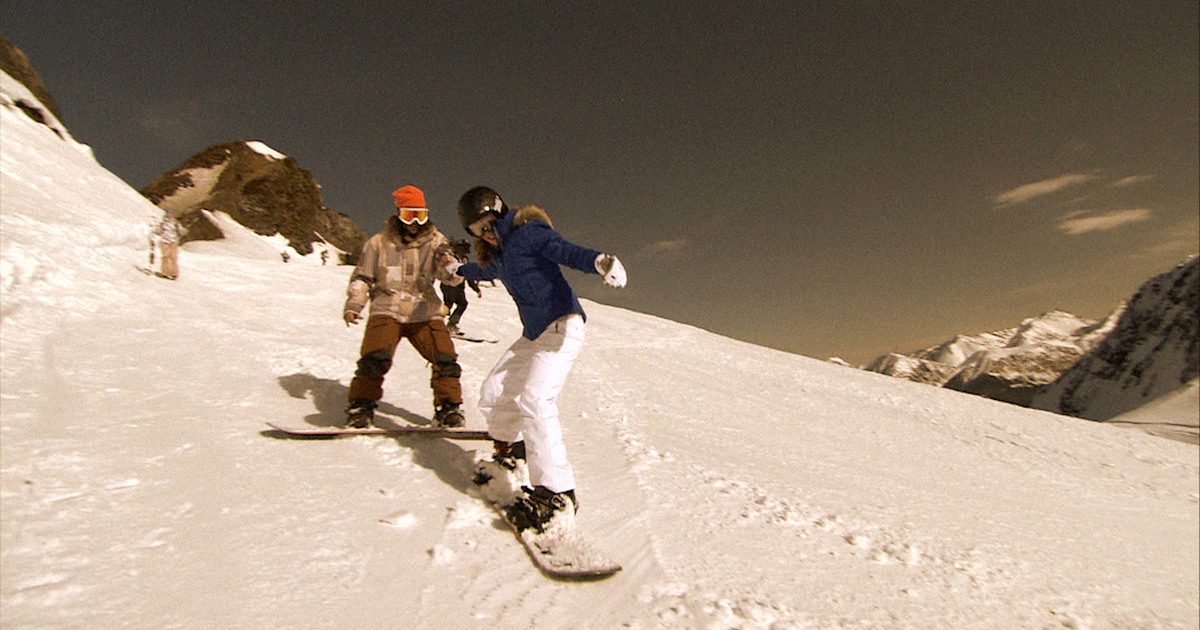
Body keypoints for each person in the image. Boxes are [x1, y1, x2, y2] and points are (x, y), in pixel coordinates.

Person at [450, 185, 627, 532]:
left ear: (499, 212)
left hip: (562, 325)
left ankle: (557, 496)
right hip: (534, 335)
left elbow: (564, 251)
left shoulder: (527, 232)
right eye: (476, 230)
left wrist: (599, 261)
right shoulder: (499, 255)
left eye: (487, 223)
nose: (485, 233)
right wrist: (460, 271)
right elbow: (487, 273)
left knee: (535, 399)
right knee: (494, 390)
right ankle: (510, 456)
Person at [342, 185, 467, 428]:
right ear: (398, 214)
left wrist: (452, 268)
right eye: (409, 215)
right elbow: (363, 277)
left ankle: (449, 408)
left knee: (445, 357)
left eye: (420, 215)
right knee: (375, 357)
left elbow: (447, 270)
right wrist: (354, 304)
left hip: (423, 310)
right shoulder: (378, 243)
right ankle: (360, 407)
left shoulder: (435, 241)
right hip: (387, 308)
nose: (415, 222)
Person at [440, 239, 481, 335]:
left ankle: (451, 324)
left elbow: (468, 275)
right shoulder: (450, 259)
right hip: (448, 286)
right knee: (448, 305)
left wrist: (476, 289)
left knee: (463, 304)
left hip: (459, 287)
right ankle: (436, 325)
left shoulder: (465, 260)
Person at [154, 209, 186, 280]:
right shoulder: (163, 223)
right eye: (167, 213)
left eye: (170, 214)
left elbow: (181, 231)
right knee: (165, 256)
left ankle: (173, 273)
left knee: (173, 257)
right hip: (164, 241)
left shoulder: (175, 223)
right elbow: (158, 231)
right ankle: (165, 272)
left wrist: (182, 231)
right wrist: (154, 230)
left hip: (173, 241)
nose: (169, 215)